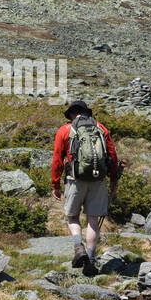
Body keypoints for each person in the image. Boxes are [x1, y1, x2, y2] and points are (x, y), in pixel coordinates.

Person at [51, 100, 120, 273]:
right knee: (93, 220)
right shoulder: (101, 128)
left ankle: (78, 247)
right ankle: (90, 258)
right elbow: (112, 155)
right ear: (87, 112)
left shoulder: (65, 130)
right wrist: (113, 180)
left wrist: (55, 184)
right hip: (98, 180)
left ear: (72, 114)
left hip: (74, 179)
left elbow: (57, 159)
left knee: (73, 217)